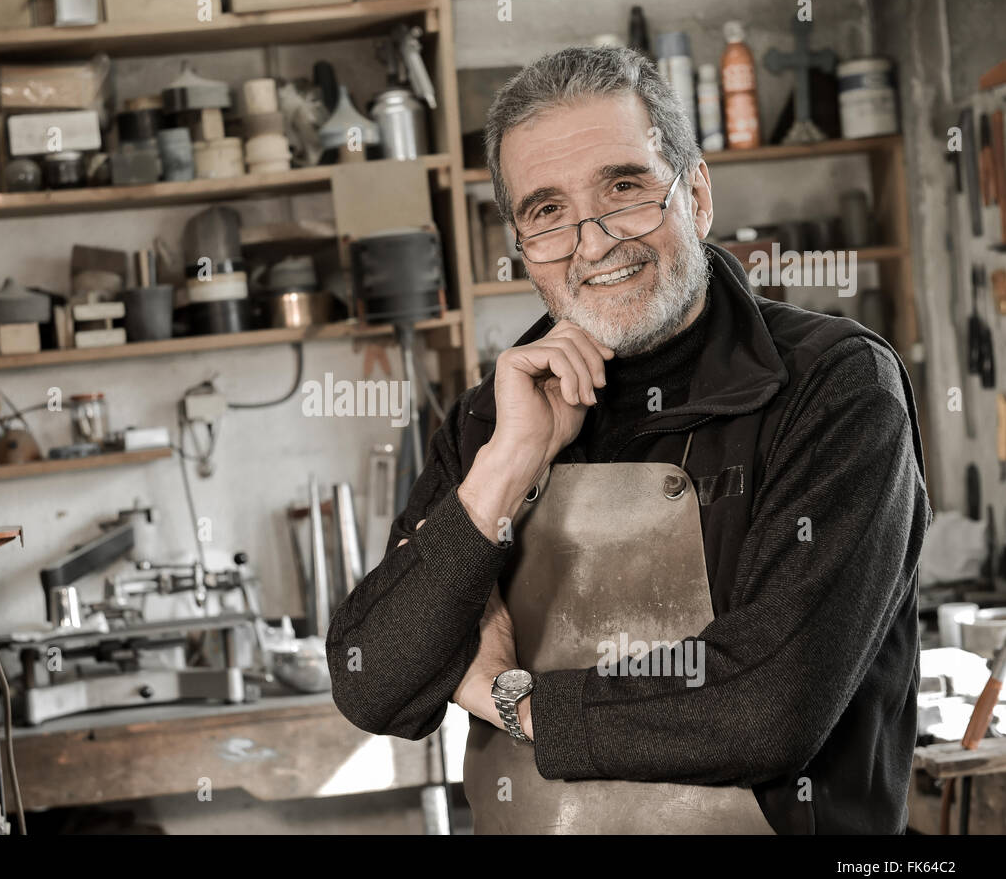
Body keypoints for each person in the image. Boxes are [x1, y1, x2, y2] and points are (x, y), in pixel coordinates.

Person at [326, 46, 931, 834]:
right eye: (547, 211)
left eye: (624, 187)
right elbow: (372, 683)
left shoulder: (835, 387)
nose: (595, 239)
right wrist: (507, 466)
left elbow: (768, 707)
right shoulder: (491, 417)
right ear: (521, 247)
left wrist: (518, 701)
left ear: (698, 194)